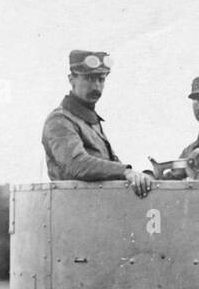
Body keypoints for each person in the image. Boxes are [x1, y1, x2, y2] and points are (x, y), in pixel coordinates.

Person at [42, 50, 152, 197]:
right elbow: (76, 164)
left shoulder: (90, 121)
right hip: (72, 207)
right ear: (71, 79)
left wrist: (142, 176)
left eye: (101, 79)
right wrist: (125, 171)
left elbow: (110, 164)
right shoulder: (59, 121)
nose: (96, 87)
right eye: (89, 79)